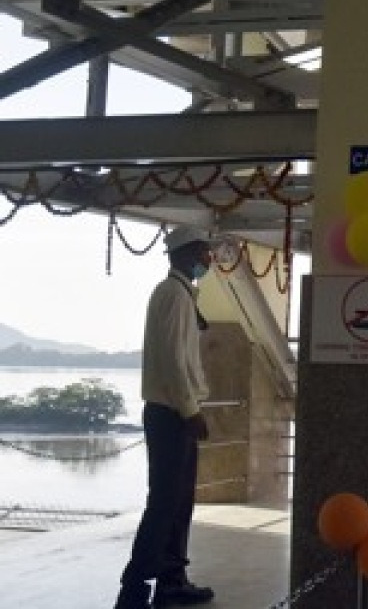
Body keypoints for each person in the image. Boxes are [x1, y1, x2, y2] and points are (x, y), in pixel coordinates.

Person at [114, 225, 215, 609]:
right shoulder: (172, 294)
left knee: (179, 503)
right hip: (171, 414)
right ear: (186, 254)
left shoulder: (182, 293)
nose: (208, 259)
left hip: (175, 413)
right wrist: (191, 411)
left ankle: (172, 580)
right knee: (164, 503)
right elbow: (174, 361)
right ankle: (135, 586)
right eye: (204, 252)